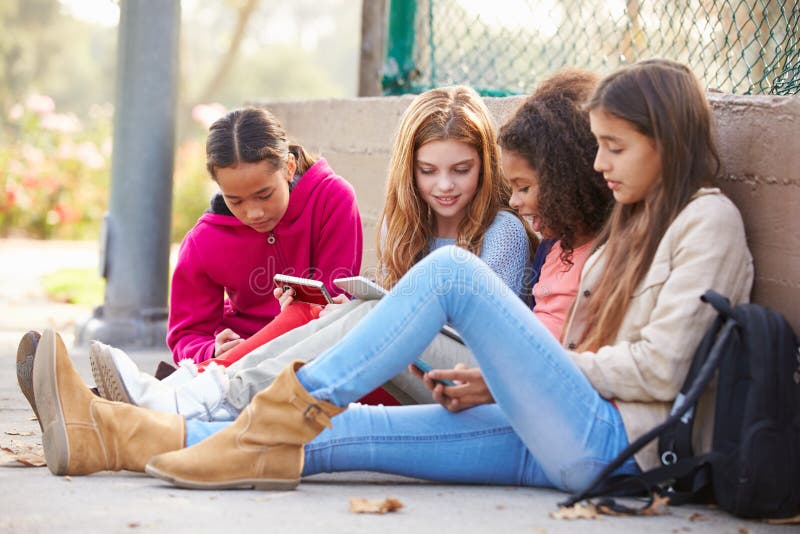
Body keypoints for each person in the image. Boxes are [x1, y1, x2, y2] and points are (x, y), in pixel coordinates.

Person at [29, 60, 753, 494]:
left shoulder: (707, 221)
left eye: (615, 147)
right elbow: (578, 348)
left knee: (452, 274)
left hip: (613, 444)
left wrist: (521, 371)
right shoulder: (635, 223)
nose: (599, 164)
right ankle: (112, 434)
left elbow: (659, 370)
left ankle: (276, 408)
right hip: (549, 433)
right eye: (597, 146)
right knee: (348, 434)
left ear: (667, 141)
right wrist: (509, 381)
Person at [87, 85, 534, 418]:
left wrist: (366, 313)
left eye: (461, 170)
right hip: (402, 366)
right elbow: (189, 329)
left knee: (326, 314)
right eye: (428, 171)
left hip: (458, 381)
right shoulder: (406, 231)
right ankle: (194, 395)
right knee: (339, 315)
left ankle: (189, 393)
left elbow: (481, 337)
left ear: (484, 166)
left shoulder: (502, 234)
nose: (445, 185)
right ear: (409, 170)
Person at [167, 107, 363, 364]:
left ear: (289, 167)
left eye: (264, 195)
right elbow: (186, 335)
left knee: (307, 315)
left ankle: (184, 384)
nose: (253, 213)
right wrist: (211, 351)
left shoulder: (332, 199)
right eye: (235, 201)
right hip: (239, 357)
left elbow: (329, 306)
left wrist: (295, 314)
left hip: (314, 349)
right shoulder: (203, 241)